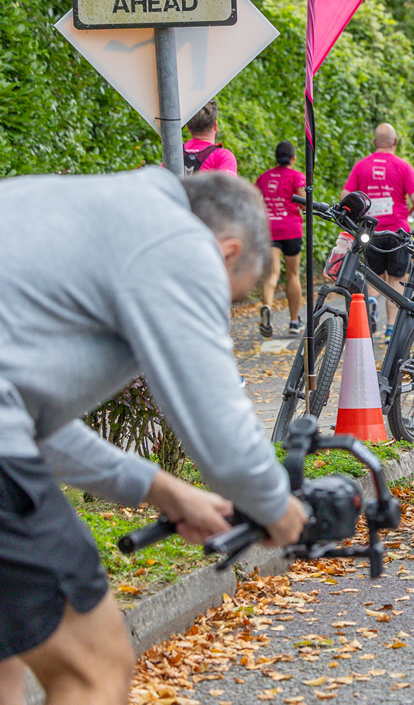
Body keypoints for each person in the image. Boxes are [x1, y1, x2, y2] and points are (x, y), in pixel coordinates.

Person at [0, 169, 306, 705]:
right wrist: (279, 509)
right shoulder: (177, 240)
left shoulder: (64, 205)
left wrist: (163, 490)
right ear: (226, 251)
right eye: (227, 299)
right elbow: (226, 444)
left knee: (8, 652)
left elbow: (29, 430)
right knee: (94, 667)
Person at [343, 124, 414, 336]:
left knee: (375, 276)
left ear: (374, 142)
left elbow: (345, 196)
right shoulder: (403, 166)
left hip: (370, 230)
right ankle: (390, 329)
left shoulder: (361, 166)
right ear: (395, 142)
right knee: (396, 279)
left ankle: (371, 299)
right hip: (397, 231)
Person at [255, 141, 306, 338]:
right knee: (292, 275)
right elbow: (305, 203)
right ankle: (294, 322)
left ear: (276, 157)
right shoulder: (297, 176)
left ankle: (267, 306)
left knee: (272, 272)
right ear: (293, 158)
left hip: (270, 229)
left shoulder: (264, 177)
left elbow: (255, 201)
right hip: (291, 229)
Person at [182, 100, 237, 175]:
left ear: (187, 128)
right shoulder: (222, 156)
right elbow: (227, 183)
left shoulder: (174, 153)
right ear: (215, 126)